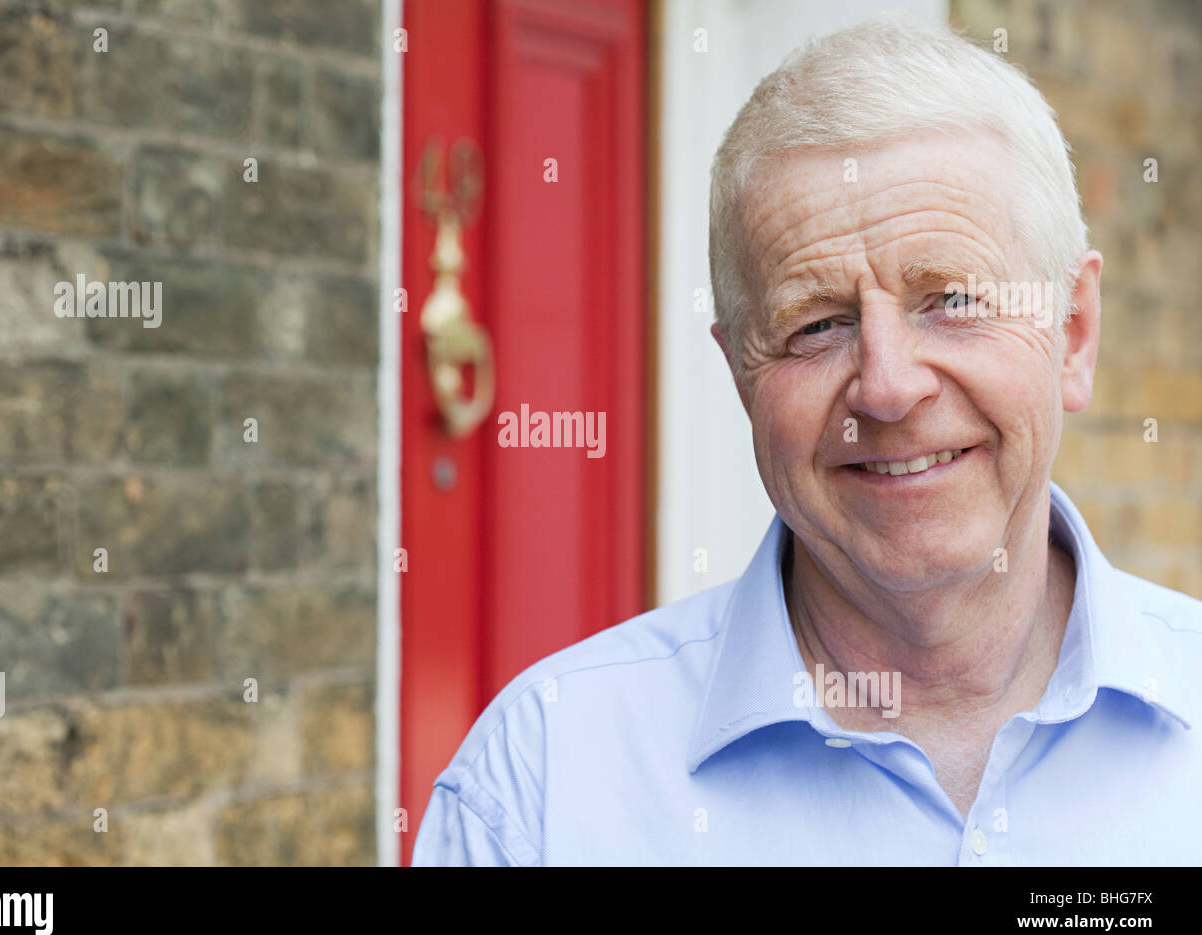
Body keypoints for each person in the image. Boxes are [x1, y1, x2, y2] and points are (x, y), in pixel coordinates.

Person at [412, 16, 1202, 866]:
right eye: (817, 325)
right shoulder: (540, 785)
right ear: (739, 376)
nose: (890, 385)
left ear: (1073, 333)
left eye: (954, 301)